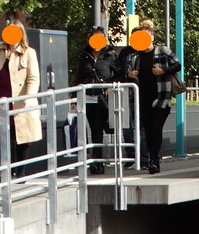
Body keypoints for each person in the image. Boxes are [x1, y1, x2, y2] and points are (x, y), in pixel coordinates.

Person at [118, 19, 181, 174]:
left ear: (152, 37)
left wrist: (163, 70)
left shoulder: (162, 51)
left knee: (156, 128)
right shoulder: (135, 56)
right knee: (147, 130)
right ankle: (153, 159)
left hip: (161, 97)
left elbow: (177, 65)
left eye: (146, 36)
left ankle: (153, 161)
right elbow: (124, 73)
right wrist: (129, 74)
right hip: (142, 99)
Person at [0, 20, 42, 176]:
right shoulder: (0, 49)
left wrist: (29, 98)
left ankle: (20, 172)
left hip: (19, 100)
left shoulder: (29, 53)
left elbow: (33, 78)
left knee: (20, 135)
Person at [76, 25, 118, 174]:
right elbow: (80, 75)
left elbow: (118, 74)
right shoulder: (85, 54)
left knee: (98, 128)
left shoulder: (110, 55)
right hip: (87, 95)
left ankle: (97, 161)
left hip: (102, 96)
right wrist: (75, 95)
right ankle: (95, 161)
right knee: (92, 128)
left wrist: (110, 86)